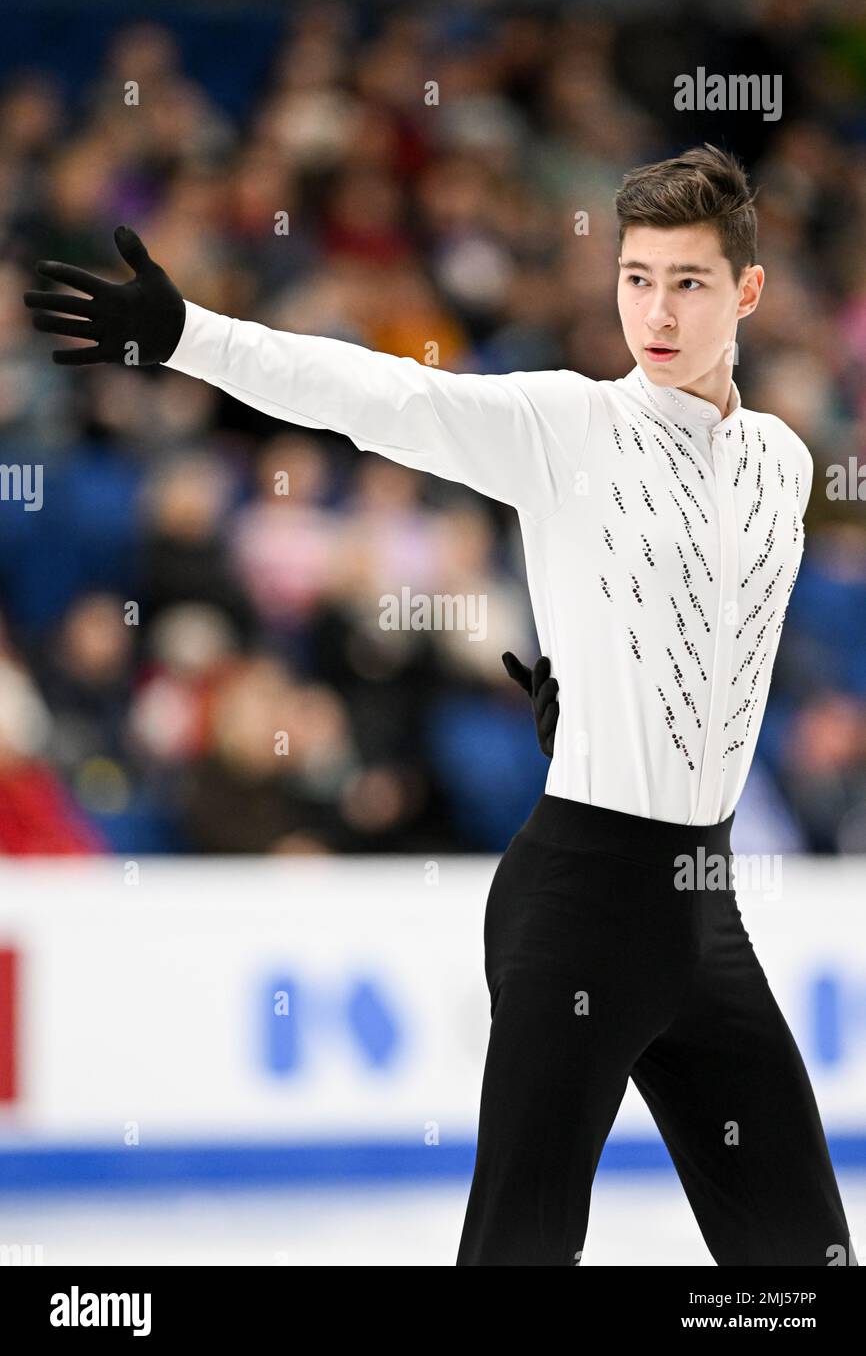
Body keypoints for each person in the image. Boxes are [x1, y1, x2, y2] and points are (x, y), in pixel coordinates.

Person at [24, 144, 856, 1267]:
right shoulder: (566, 425)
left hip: (705, 917)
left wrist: (611, 688)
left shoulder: (777, 459)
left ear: (747, 291)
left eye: (688, 282)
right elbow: (381, 395)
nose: (653, 311)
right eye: (635, 277)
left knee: (800, 1269)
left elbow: (718, 631)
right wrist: (189, 338)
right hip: (579, 902)